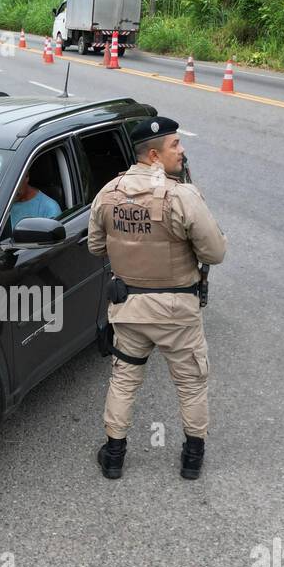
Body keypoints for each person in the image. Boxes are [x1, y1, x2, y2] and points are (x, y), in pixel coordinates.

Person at [88, 117, 226, 480]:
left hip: (129, 309)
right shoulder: (182, 195)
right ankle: (192, 458)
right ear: (154, 155)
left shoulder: (108, 193)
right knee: (191, 382)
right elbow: (214, 253)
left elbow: (95, 246)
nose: (182, 151)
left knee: (124, 380)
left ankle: (114, 455)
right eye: (175, 146)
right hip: (177, 311)